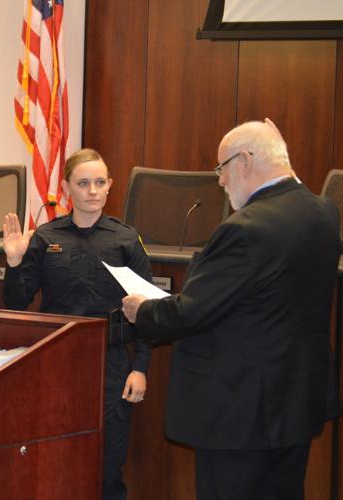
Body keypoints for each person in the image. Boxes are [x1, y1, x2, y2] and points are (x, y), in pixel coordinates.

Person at [121, 120, 340, 500]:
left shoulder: (245, 229)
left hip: (240, 415)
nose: (220, 181)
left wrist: (142, 311)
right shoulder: (324, 214)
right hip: (296, 405)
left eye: (221, 169)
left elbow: (190, 313)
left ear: (246, 160)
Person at [2, 148, 151, 500]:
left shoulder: (126, 238)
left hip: (111, 362)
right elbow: (16, 303)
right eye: (83, 184)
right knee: (55, 455)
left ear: (111, 185)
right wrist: (13, 261)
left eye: (100, 182)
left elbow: (149, 310)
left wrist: (140, 368)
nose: (93, 191)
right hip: (57, 362)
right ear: (68, 187)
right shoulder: (46, 237)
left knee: (109, 460)